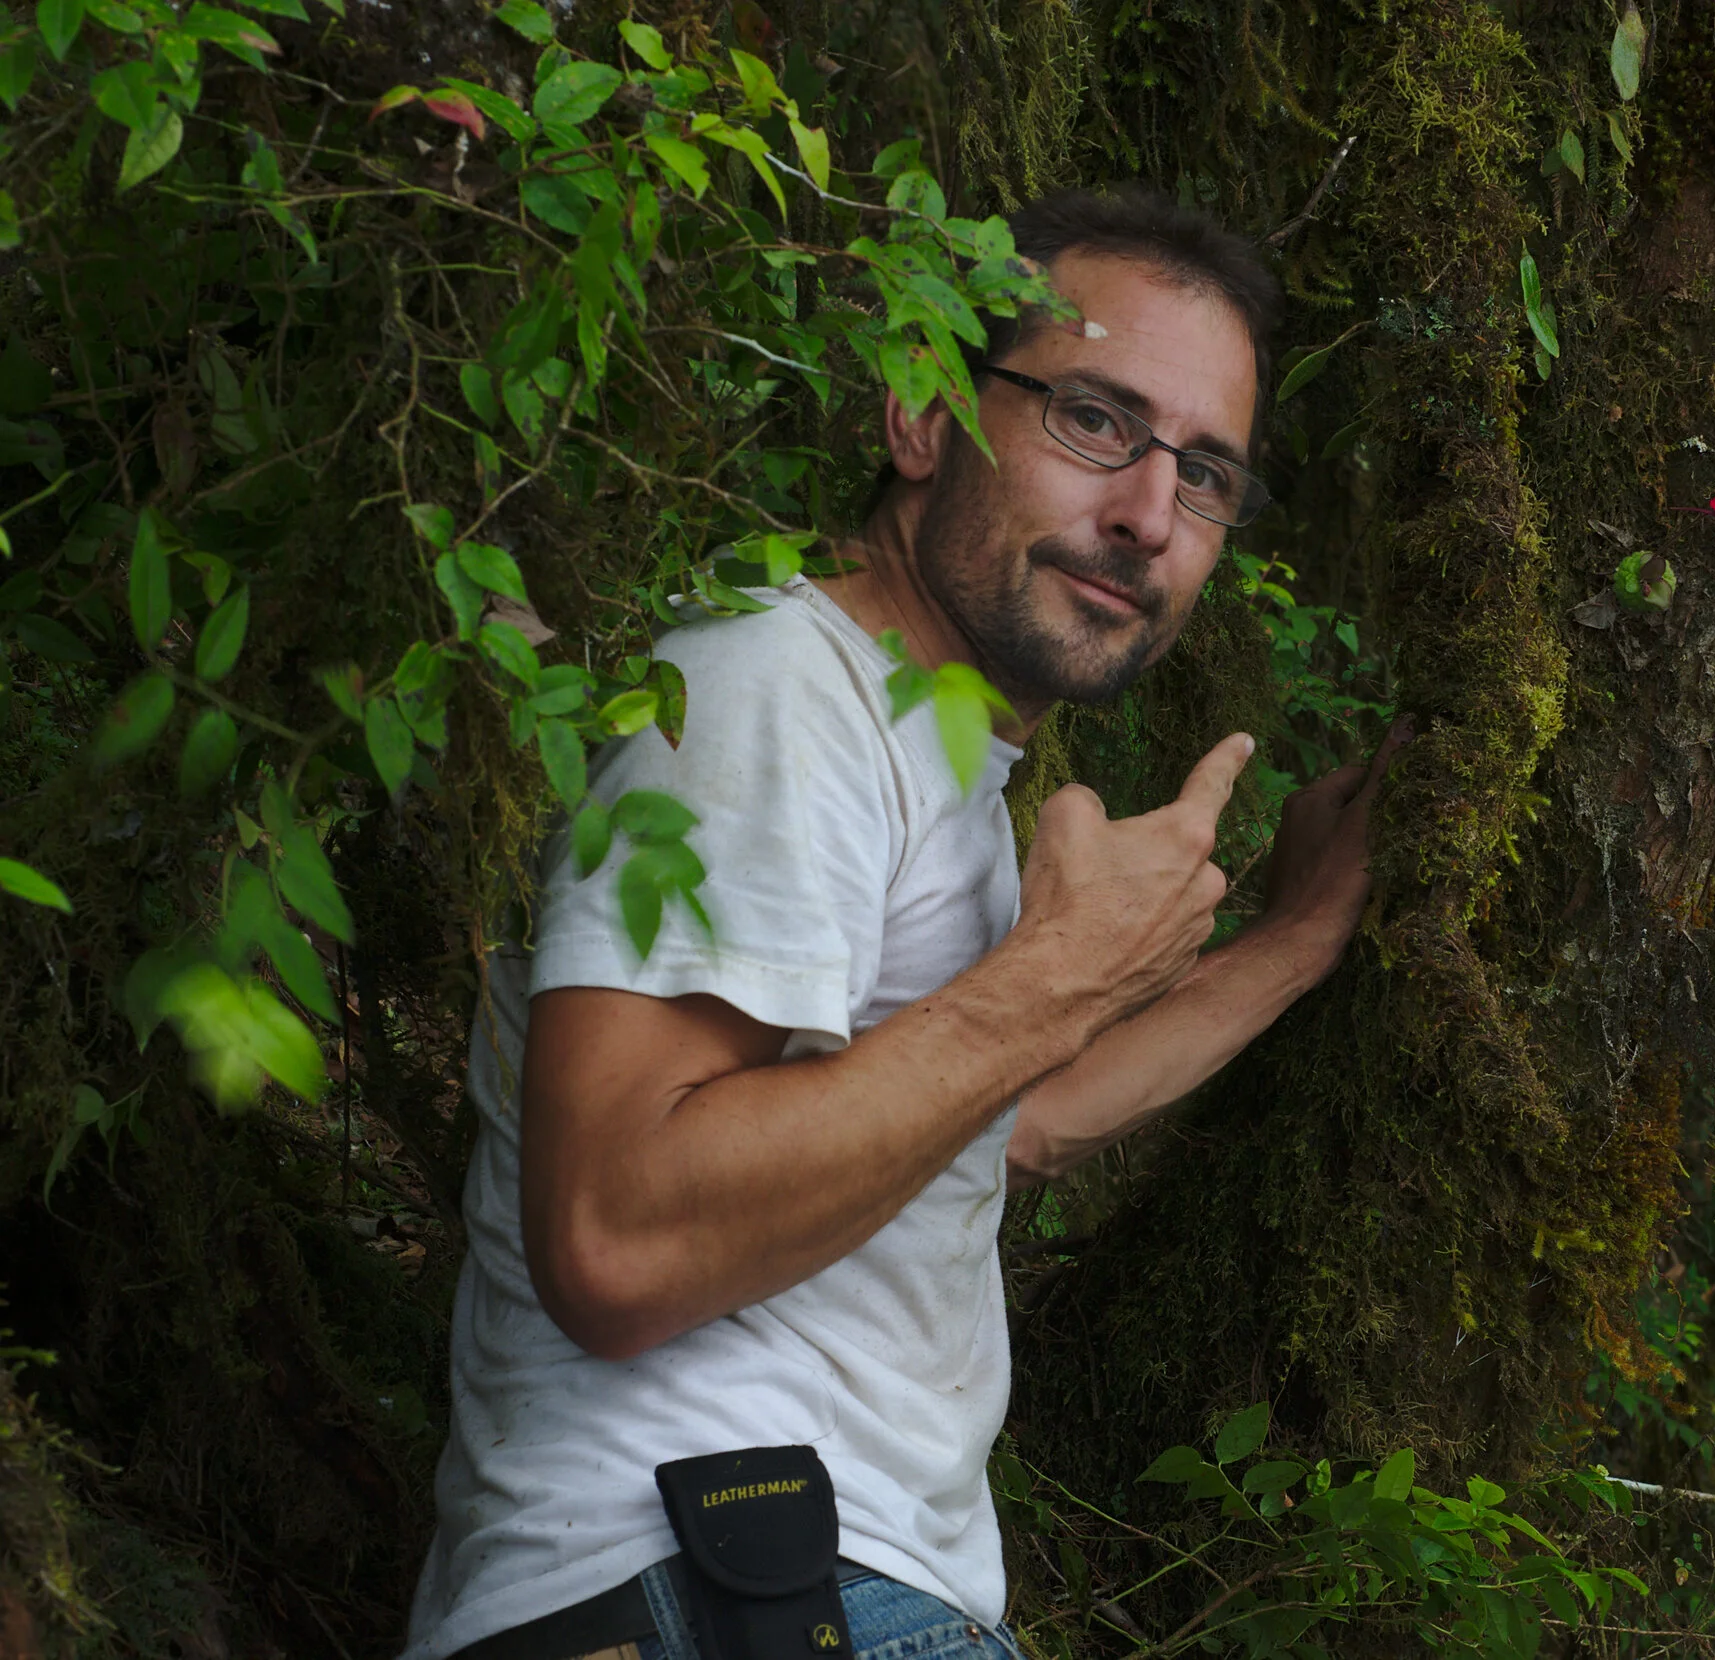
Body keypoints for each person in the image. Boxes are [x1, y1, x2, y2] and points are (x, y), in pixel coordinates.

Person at [401, 185, 1403, 1660]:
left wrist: (1297, 939)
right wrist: (1054, 979)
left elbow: (1007, 1114)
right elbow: (612, 1239)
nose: (1145, 517)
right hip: (713, 1567)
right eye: (1095, 422)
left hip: (772, 1584)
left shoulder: (916, 751)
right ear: (924, 416)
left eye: (1205, 478)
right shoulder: (772, 693)